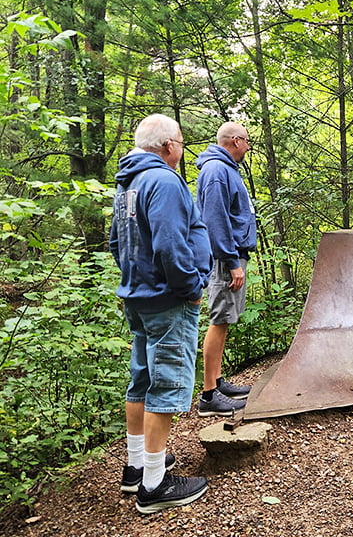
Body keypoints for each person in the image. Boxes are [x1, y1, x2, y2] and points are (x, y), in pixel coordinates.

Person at [109, 114, 212, 514]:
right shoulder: (164, 181)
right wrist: (190, 289)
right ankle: (154, 485)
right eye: (182, 143)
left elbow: (117, 242)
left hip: (138, 296)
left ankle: (136, 466)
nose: (183, 150)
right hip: (168, 299)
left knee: (142, 378)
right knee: (165, 385)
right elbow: (171, 245)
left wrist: (135, 282)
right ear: (169, 145)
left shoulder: (128, 183)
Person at [195, 121, 257, 416]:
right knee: (219, 319)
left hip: (232, 254)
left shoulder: (226, 169)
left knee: (226, 317)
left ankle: (217, 382)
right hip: (223, 258)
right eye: (246, 141)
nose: (248, 146)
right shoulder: (217, 171)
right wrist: (232, 262)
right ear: (235, 140)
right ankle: (209, 396)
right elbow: (214, 220)